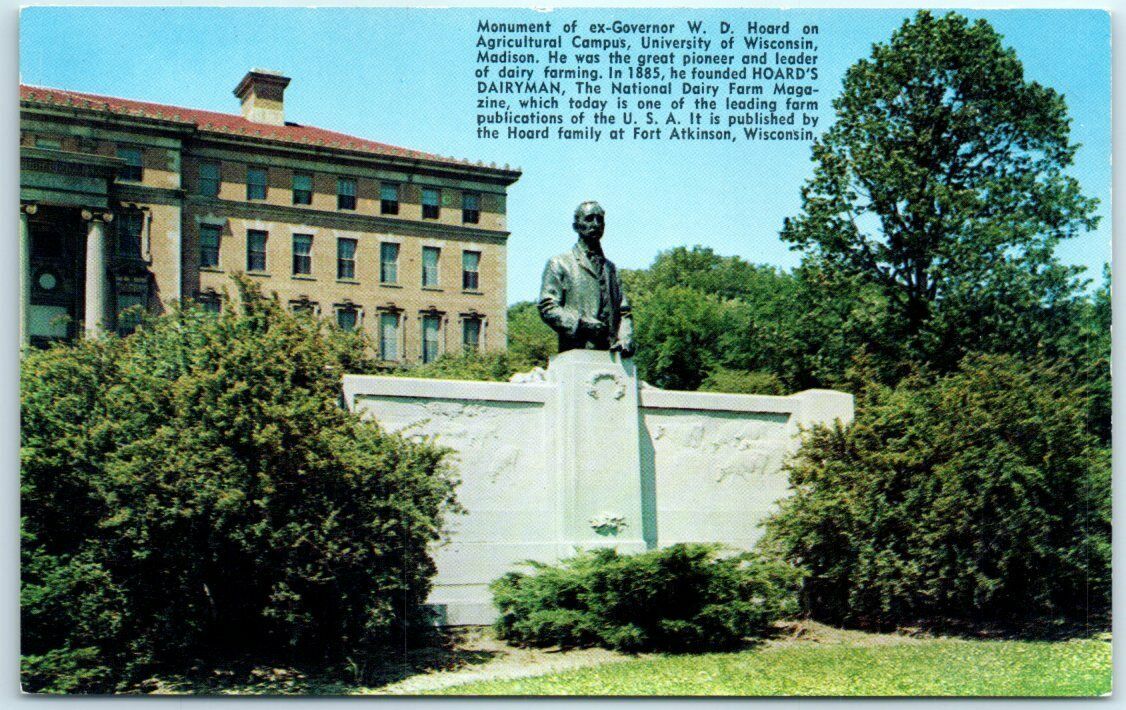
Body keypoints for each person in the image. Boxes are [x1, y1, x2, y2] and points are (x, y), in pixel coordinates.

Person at [538, 201, 635, 356]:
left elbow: (624, 312)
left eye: (600, 219)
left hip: (612, 355)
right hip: (576, 352)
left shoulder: (611, 269)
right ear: (576, 226)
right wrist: (581, 324)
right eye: (589, 219)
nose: (595, 224)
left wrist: (625, 338)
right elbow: (548, 307)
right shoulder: (560, 263)